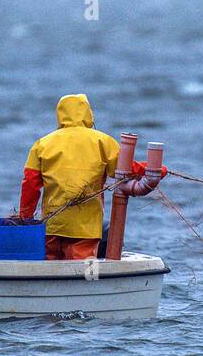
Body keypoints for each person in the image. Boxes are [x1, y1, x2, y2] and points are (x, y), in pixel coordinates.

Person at [18, 94, 147, 261]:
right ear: (89, 114)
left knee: (49, 266)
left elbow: (30, 184)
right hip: (85, 228)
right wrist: (155, 169)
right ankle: (88, 286)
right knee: (84, 272)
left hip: (52, 225)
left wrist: (25, 218)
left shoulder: (42, 144)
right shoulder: (103, 141)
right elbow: (126, 170)